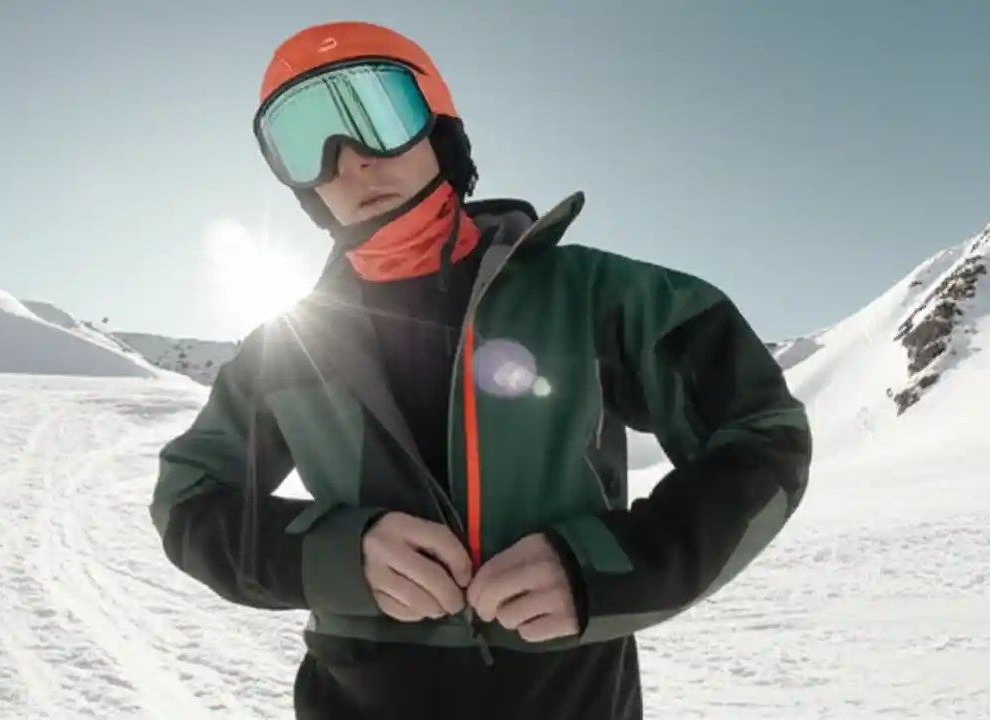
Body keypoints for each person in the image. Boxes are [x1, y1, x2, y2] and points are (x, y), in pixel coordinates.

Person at [151, 20, 812, 720]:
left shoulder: (594, 299)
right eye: (304, 142)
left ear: (440, 127)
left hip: (572, 697)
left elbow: (762, 432)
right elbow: (188, 501)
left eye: (377, 115)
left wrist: (611, 568)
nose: (348, 162)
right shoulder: (287, 349)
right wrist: (335, 556)